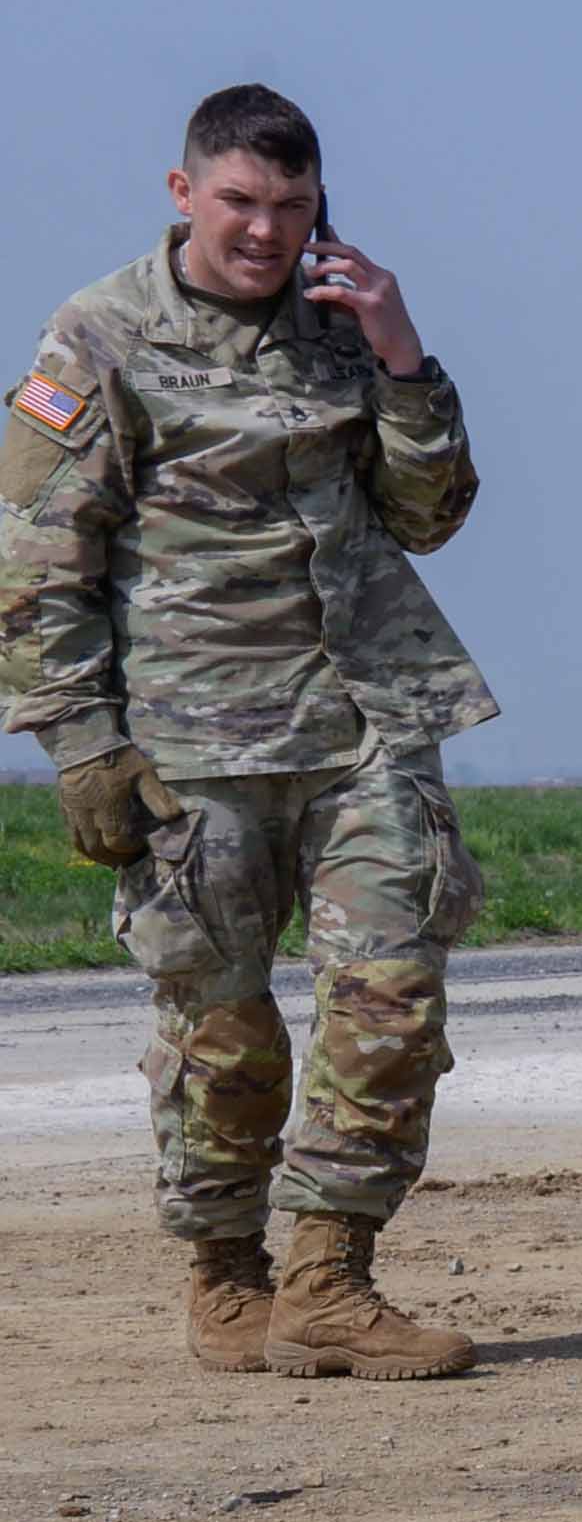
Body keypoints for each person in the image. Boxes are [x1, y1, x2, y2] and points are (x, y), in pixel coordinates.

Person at [5, 84, 492, 1380]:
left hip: (364, 718)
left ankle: (329, 1277)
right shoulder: (99, 334)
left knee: (391, 994)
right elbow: (36, 556)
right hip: (190, 743)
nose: (265, 230)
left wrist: (401, 355)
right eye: (239, 201)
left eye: (292, 204)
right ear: (184, 195)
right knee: (221, 1031)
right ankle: (227, 1276)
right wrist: (81, 742)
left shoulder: (345, 330)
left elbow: (431, 515)